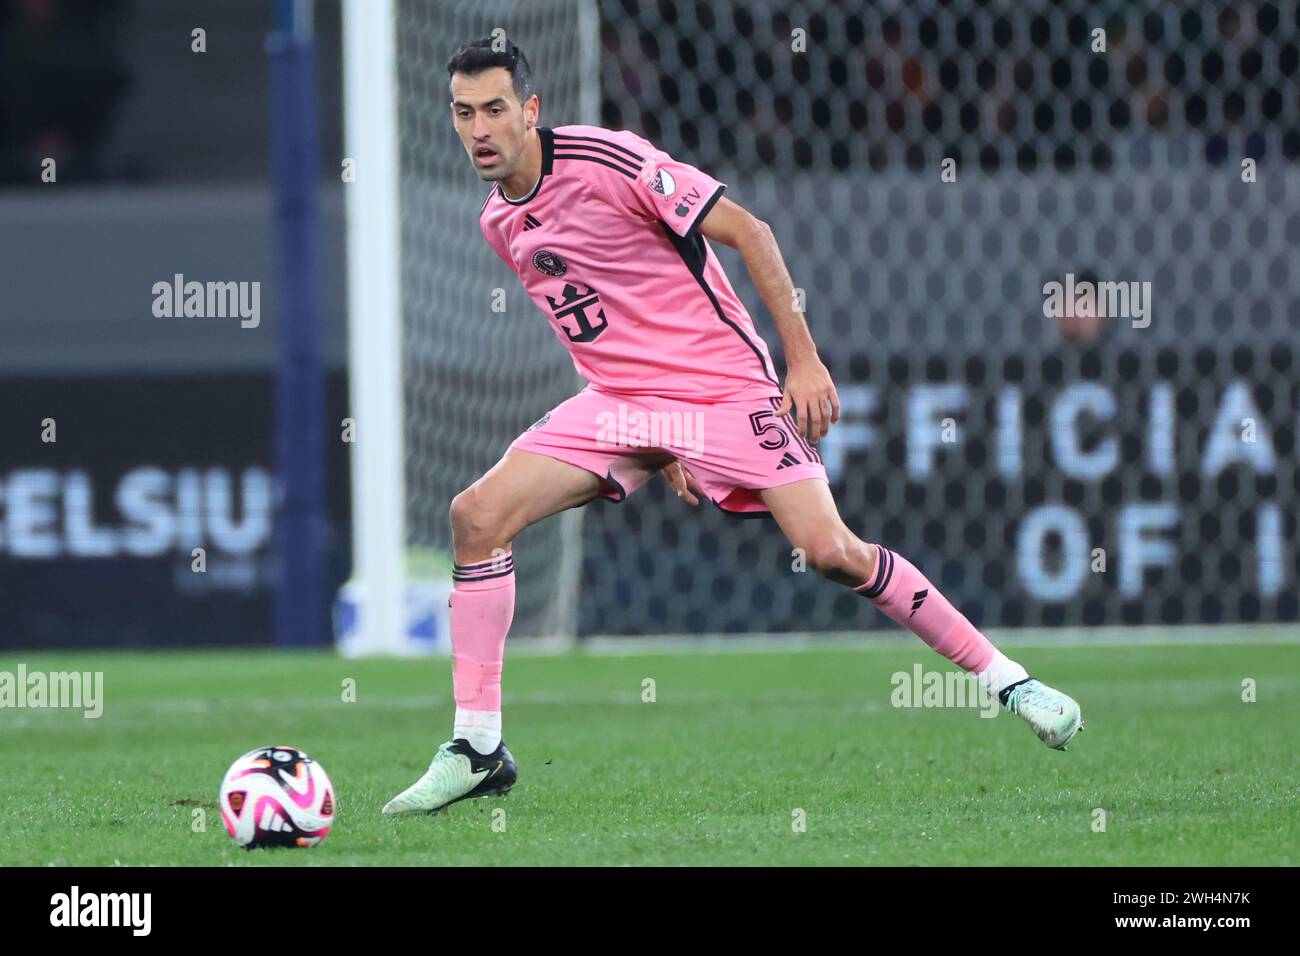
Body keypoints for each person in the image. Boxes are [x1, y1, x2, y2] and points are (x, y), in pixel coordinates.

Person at [383, 38, 1084, 815]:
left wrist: (804, 360)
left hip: (722, 388)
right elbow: (590, 325)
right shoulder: (499, 222)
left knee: (830, 552)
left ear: (530, 110)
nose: (479, 128)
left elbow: (751, 231)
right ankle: (478, 746)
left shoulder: (609, 160)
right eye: (463, 112)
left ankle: (1011, 682)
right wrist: (652, 442)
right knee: (475, 517)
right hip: (620, 400)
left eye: (494, 109)